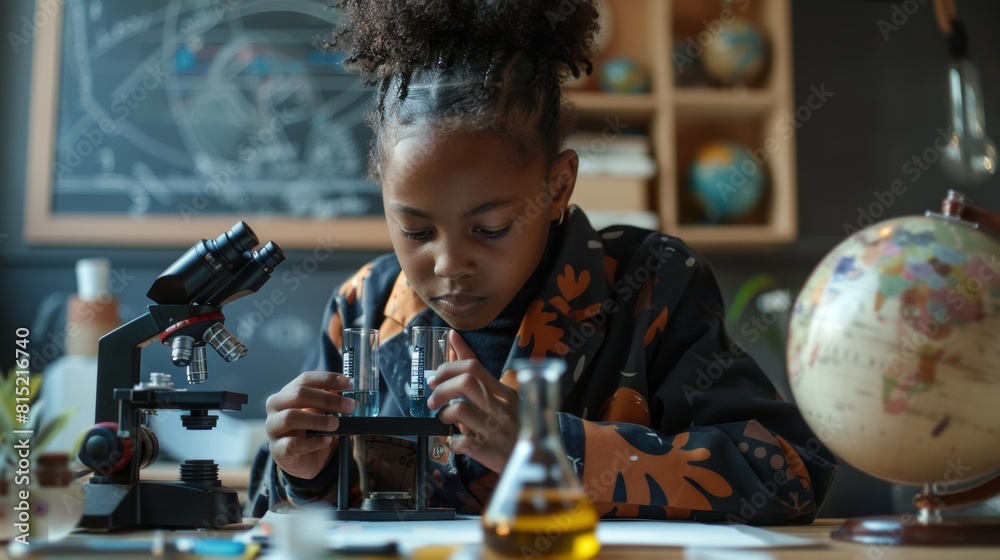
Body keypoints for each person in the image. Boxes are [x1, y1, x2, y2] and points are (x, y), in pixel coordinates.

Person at [251, 0, 837, 524]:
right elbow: (269, 502)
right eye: (416, 229)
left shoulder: (651, 285)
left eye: (490, 228)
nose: (450, 263)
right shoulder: (364, 306)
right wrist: (304, 471)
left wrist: (547, 447)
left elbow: (790, 475)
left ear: (558, 187)